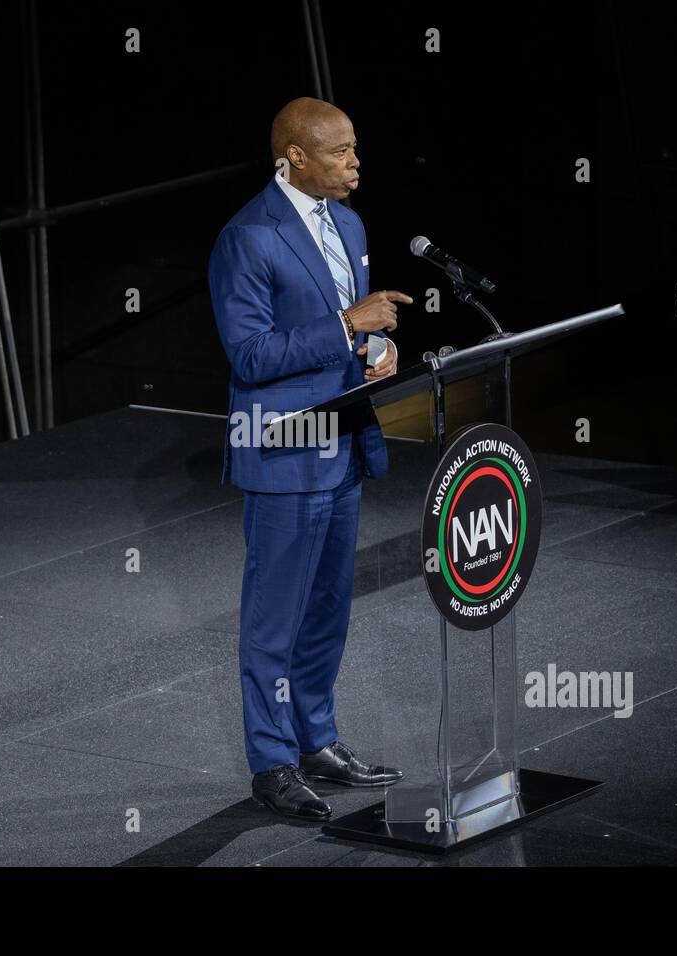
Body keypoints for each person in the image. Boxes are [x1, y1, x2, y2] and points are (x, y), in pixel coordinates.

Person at [208, 97, 411, 821]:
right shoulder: (248, 238)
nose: (355, 164)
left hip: (343, 444)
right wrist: (345, 324)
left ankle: (317, 740)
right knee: (276, 619)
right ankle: (272, 761)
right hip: (286, 453)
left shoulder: (348, 223)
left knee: (327, 610)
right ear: (293, 157)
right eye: (340, 153)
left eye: (355, 149)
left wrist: (374, 348)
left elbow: (346, 334)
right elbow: (252, 355)